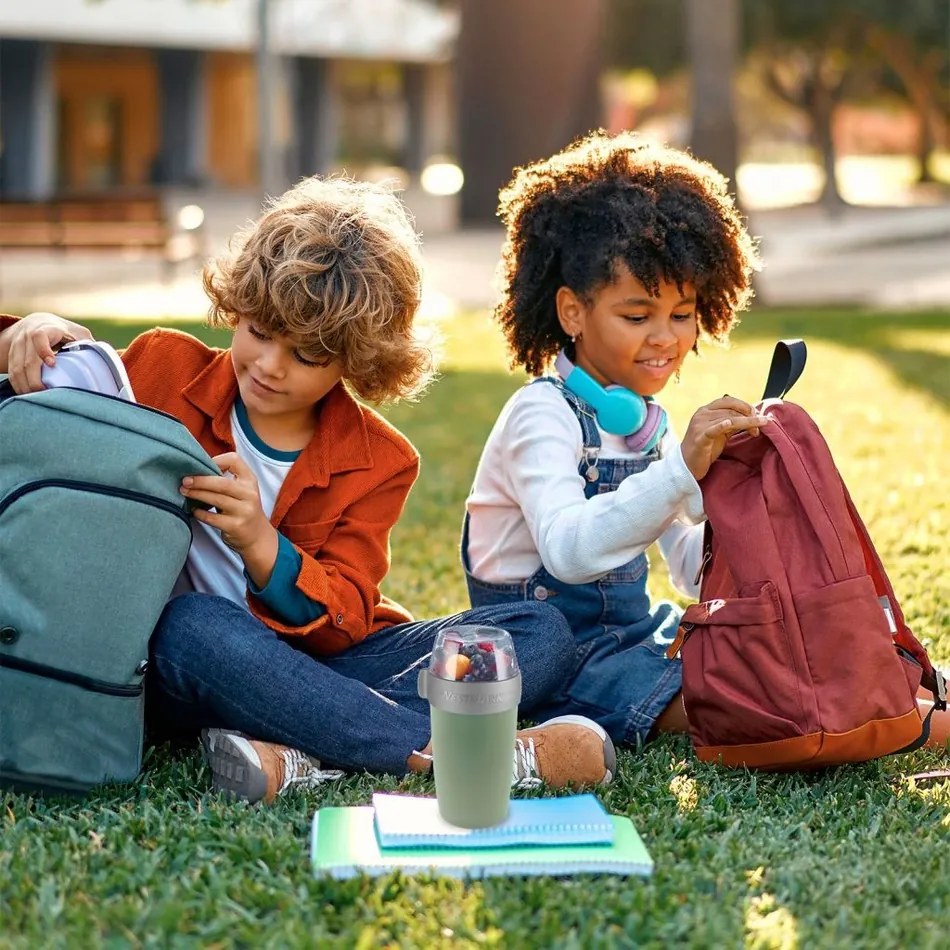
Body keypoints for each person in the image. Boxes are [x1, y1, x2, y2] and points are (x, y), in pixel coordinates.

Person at [0, 175, 615, 804]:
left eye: (307, 355)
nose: (269, 365)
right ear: (237, 305)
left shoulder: (381, 460)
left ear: (357, 358)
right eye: (260, 332)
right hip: (174, 661)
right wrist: (28, 330)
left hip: (323, 666)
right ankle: (461, 755)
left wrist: (261, 545)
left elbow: (343, 620)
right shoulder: (162, 367)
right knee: (196, 624)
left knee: (537, 630)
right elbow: (64, 375)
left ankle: (299, 752)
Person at [461, 130, 950, 751]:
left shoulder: (645, 419)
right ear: (572, 312)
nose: (665, 338)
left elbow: (693, 573)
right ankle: (915, 722)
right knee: (764, 698)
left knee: (793, 658)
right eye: (637, 316)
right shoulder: (542, 414)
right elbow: (570, 552)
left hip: (638, 635)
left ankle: (920, 691)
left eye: (683, 314)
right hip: (557, 662)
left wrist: (742, 502)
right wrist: (679, 473)